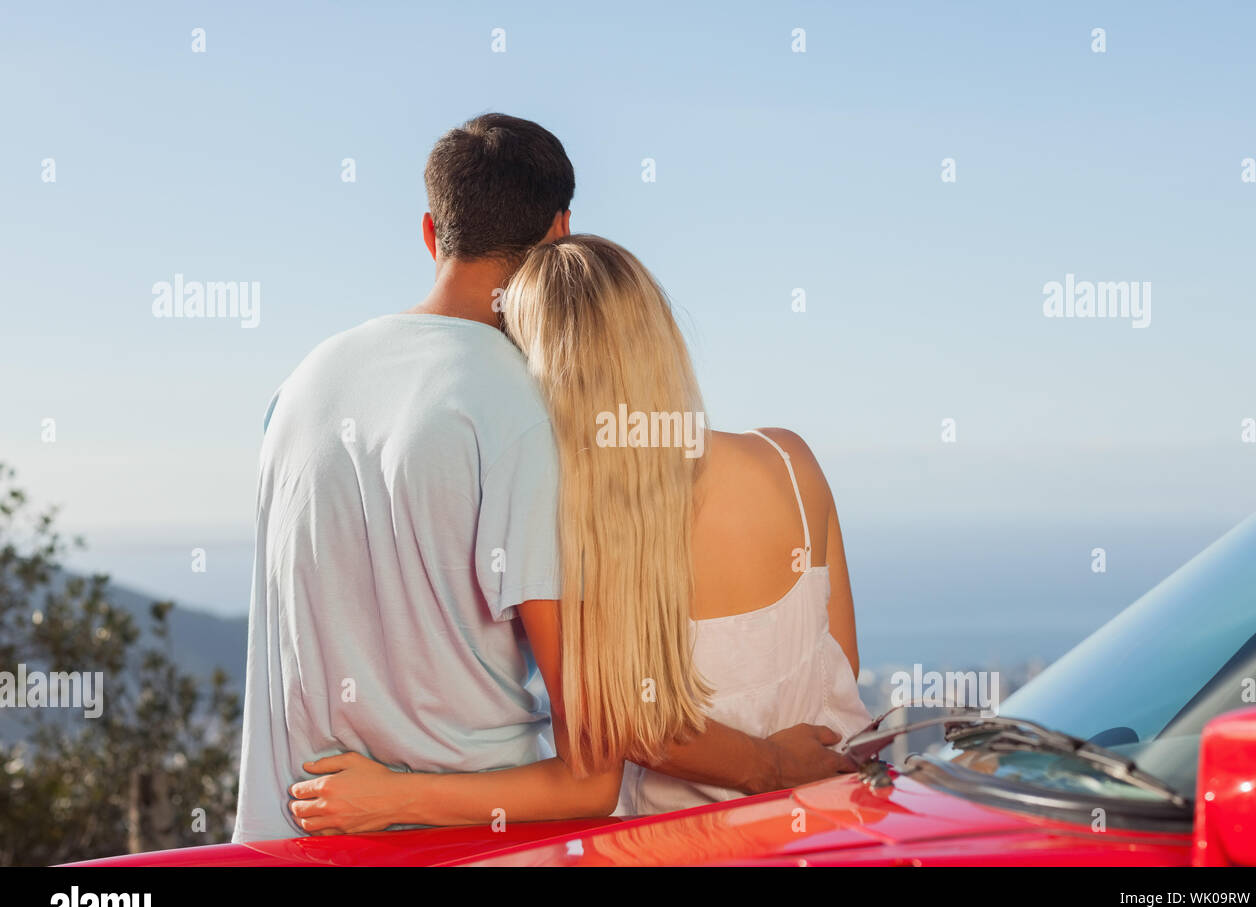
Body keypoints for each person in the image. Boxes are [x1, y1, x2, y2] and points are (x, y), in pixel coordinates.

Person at [234, 114, 851, 842]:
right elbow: (595, 760)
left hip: (290, 840)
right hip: (473, 848)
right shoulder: (527, 414)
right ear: (560, 232)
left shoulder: (301, 386)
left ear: (432, 233)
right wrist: (769, 763)